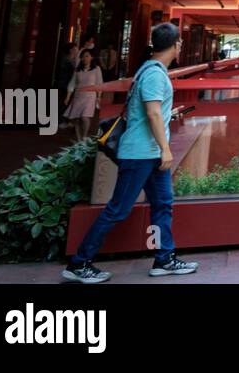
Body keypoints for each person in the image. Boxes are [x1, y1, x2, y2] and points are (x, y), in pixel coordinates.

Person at [62, 22, 198, 283]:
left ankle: (164, 258)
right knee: (118, 209)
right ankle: (79, 263)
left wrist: (166, 119)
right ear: (176, 45)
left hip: (149, 153)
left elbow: (153, 112)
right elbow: (152, 112)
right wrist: (166, 149)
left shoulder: (149, 70)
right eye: (180, 43)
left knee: (162, 204)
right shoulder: (155, 74)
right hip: (141, 154)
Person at [63, 48, 104, 142]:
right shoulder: (78, 70)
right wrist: (68, 97)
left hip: (90, 96)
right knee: (76, 119)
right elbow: (72, 83)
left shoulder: (96, 69)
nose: (85, 58)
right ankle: (79, 139)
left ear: (92, 57)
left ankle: (85, 136)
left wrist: (99, 96)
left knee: (85, 117)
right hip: (78, 96)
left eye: (87, 56)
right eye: (83, 56)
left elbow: (99, 83)